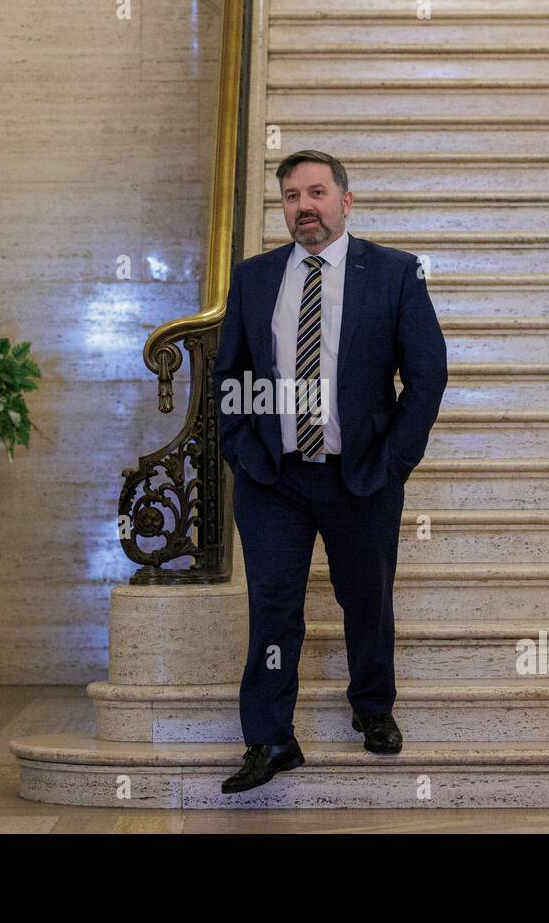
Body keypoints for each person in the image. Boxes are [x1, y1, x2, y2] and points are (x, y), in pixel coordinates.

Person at [212, 150, 448, 794]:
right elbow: (229, 373)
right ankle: (269, 738)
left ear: (346, 201)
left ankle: (373, 708)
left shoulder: (395, 274)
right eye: (291, 196)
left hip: (361, 473)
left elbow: (426, 374)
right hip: (274, 479)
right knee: (273, 608)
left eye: (316, 192)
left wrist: (395, 460)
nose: (303, 206)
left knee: (366, 600)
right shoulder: (255, 278)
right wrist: (242, 448)